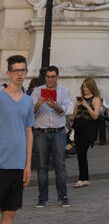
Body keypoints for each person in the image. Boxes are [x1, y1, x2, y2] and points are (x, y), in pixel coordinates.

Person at [0, 54, 34, 224]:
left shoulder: (28, 101)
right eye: (16, 70)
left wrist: (28, 164)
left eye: (23, 70)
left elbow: (29, 132)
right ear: (8, 73)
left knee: (10, 213)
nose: (20, 74)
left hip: (17, 164)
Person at [32, 65, 73, 207]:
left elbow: (65, 111)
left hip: (58, 132)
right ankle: (42, 198)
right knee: (42, 167)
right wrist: (38, 103)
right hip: (41, 133)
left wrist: (55, 106)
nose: (50, 79)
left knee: (60, 165)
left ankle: (63, 196)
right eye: (48, 77)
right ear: (45, 77)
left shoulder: (64, 91)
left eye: (53, 76)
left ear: (57, 77)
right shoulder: (37, 91)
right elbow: (31, 113)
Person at [72, 77, 101, 187]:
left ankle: (81, 179)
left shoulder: (96, 99)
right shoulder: (81, 99)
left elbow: (95, 115)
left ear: (91, 87)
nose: (85, 89)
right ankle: (85, 179)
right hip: (78, 128)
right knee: (80, 154)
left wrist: (86, 105)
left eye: (86, 87)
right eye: (83, 86)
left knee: (81, 151)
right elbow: (73, 116)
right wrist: (77, 106)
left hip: (89, 130)